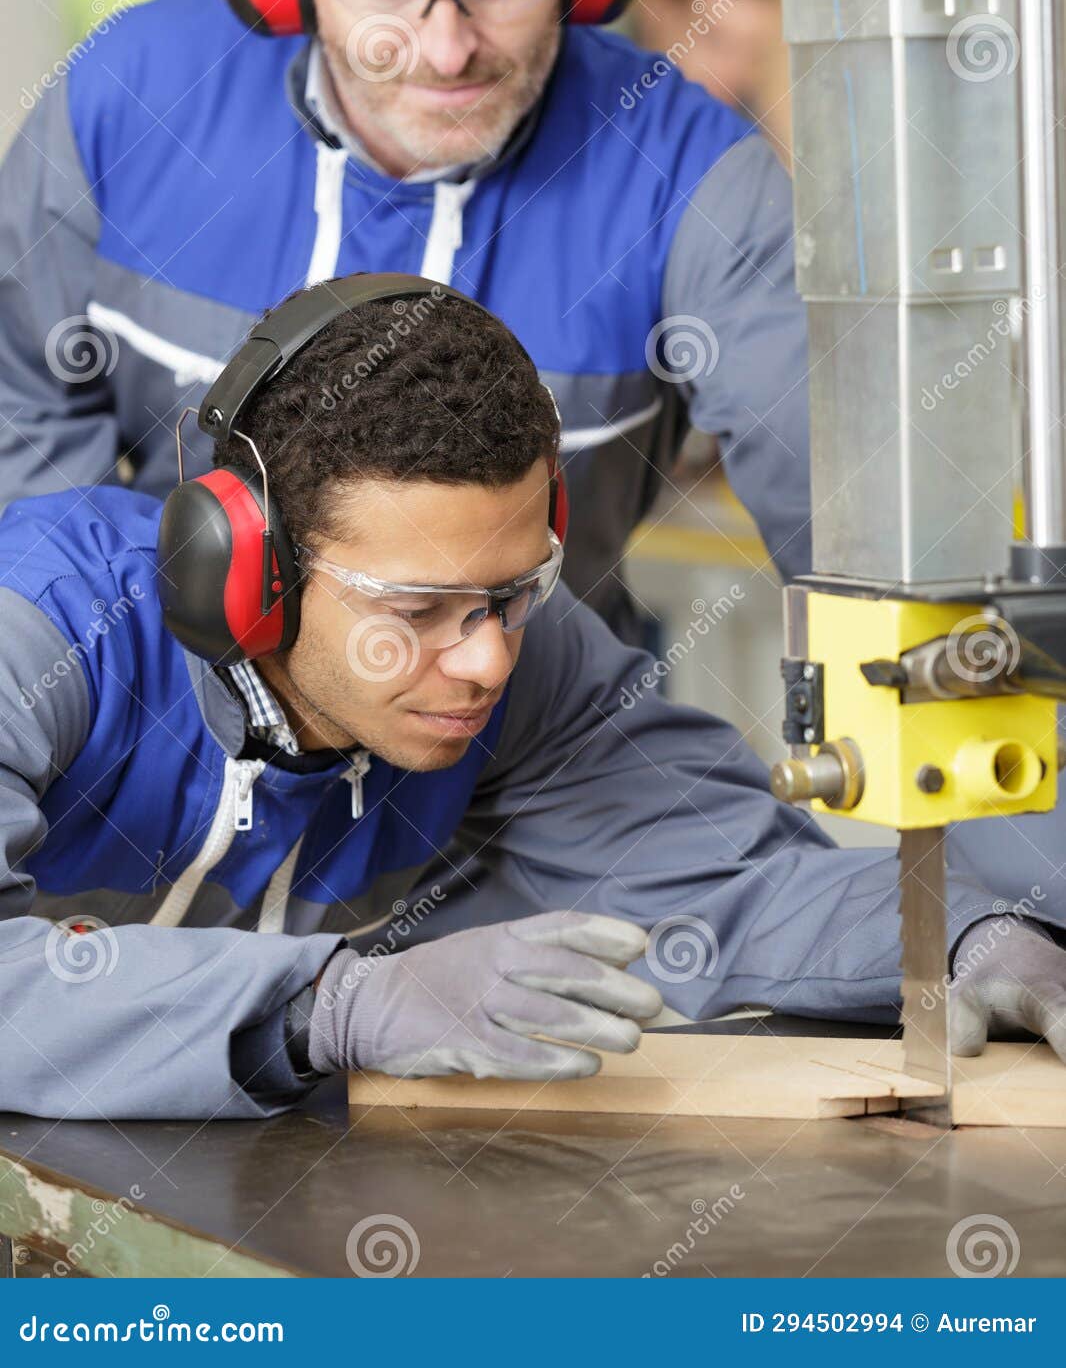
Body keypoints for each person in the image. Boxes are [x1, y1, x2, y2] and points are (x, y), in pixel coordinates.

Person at [0, 273, 1064, 1123]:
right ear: (242, 569)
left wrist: (958, 933)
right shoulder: (37, 635)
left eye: (514, 590)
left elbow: (724, 882)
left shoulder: (523, 653)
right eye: (413, 608)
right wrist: (333, 1005)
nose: (485, 662)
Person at [0, 0, 809, 645]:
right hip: (168, 741)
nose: (445, 48)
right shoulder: (123, 98)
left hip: (542, 760)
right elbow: (26, 451)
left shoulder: (698, 173)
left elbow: (852, 526)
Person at [635, 0, 782, 127]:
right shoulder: (600, 107)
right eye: (716, 42)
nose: (734, 72)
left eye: (752, 55)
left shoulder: (747, 137)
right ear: (656, 13)